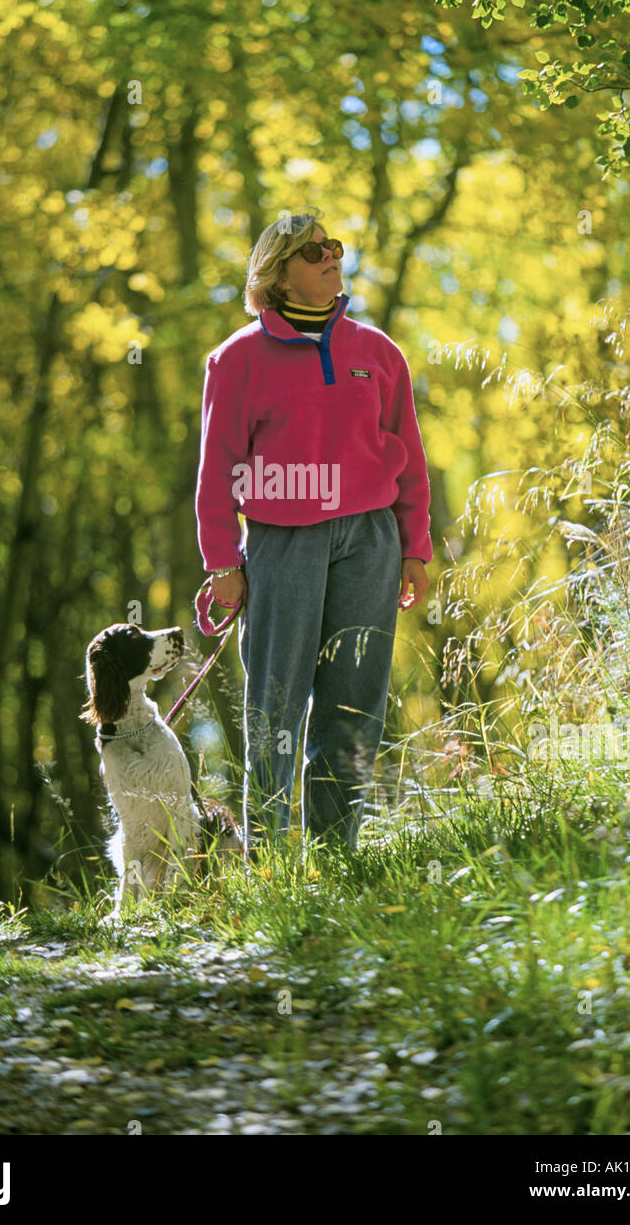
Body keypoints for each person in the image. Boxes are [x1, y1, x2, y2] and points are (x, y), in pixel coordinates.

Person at [194, 207, 432, 851]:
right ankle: (268, 861)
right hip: (281, 542)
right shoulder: (236, 359)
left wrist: (415, 547)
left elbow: (408, 451)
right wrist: (223, 564)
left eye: (333, 246)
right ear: (278, 278)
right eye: (311, 252)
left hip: (370, 542)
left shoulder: (378, 352)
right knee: (274, 704)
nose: (330, 257)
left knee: (353, 706)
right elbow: (217, 471)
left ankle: (337, 857)